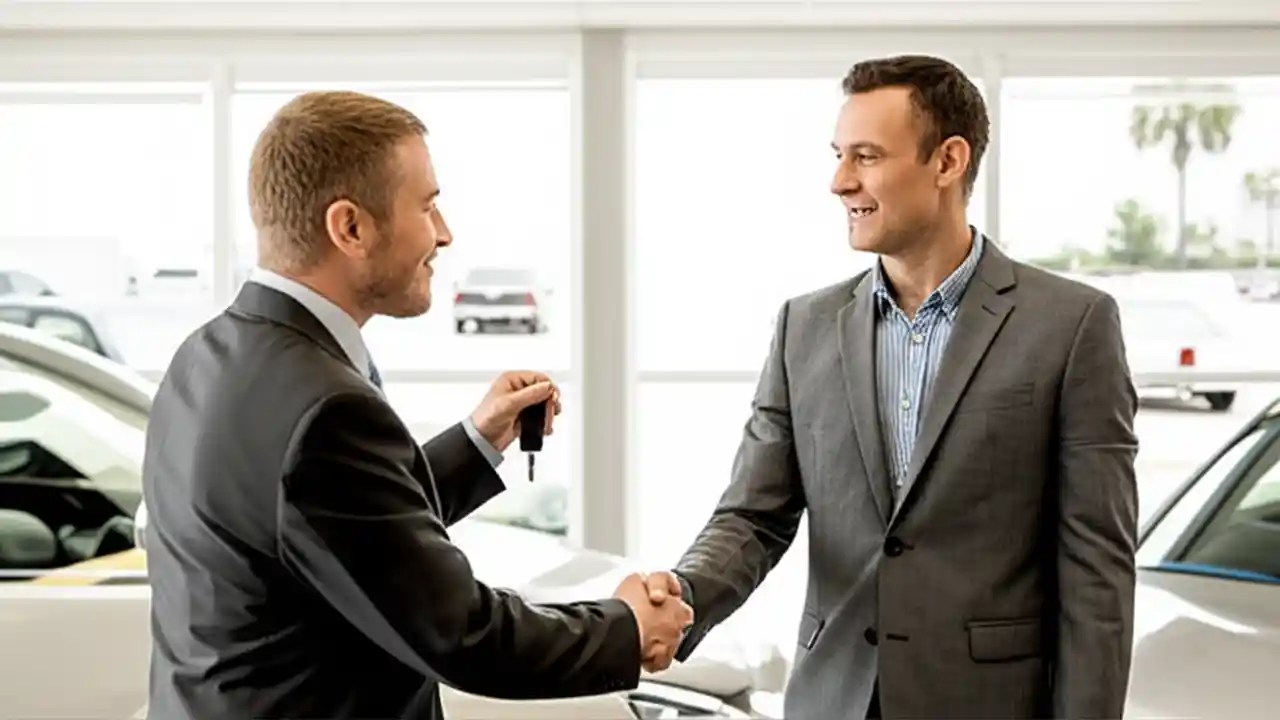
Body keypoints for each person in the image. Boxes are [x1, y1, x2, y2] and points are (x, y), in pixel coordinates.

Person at [141, 90, 691, 720]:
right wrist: (623, 626)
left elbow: (333, 529)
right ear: (350, 227)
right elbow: (462, 633)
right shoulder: (326, 409)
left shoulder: (210, 355)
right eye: (428, 206)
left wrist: (477, 440)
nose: (445, 233)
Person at [643, 55, 1139, 719]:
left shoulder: (1072, 326)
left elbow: (1097, 569)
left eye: (867, 156)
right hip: (834, 700)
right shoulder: (804, 327)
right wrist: (682, 592)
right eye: (839, 155)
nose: (840, 181)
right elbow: (754, 516)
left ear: (948, 161)